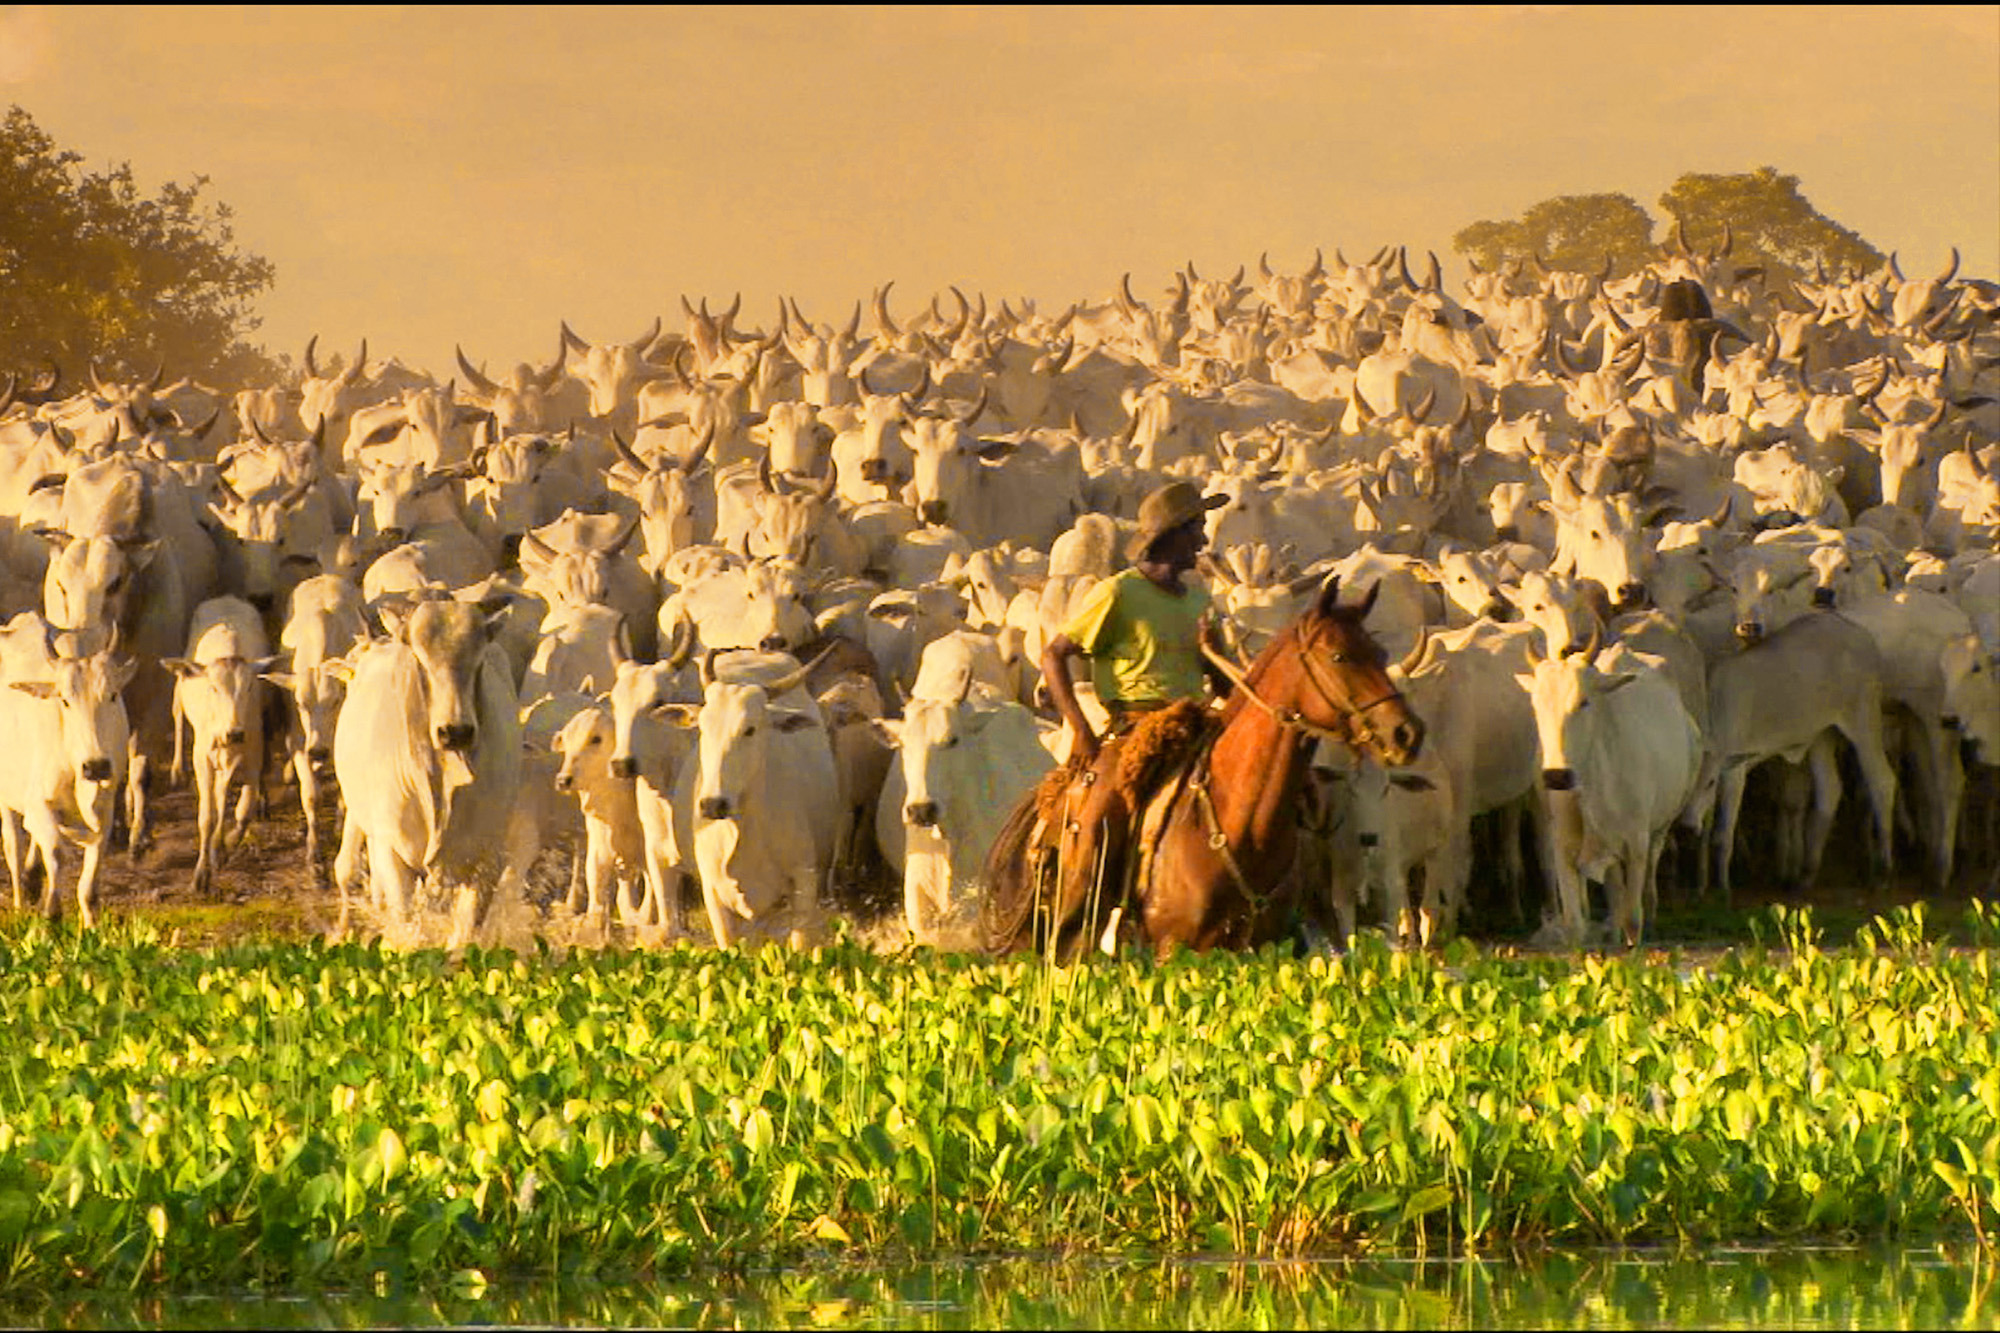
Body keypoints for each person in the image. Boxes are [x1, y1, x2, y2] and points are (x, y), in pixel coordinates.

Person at [1040, 479, 1233, 767]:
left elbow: (1224, 687)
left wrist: (1215, 656)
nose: (1204, 541)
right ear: (1173, 535)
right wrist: (1080, 729)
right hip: (1133, 734)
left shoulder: (1198, 601)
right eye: (1197, 528)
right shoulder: (1117, 592)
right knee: (1100, 809)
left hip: (1195, 729)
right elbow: (1053, 654)